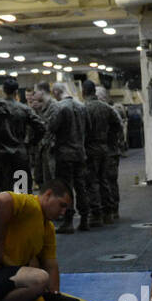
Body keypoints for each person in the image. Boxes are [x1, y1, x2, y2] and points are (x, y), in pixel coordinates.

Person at [46, 81, 89, 233]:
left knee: (66, 188)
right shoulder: (82, 106)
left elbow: (51, 128)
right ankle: (85, 219)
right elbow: (88, 128)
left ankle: (68, 221)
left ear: (56, 92)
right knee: (81, 186)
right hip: (80, 153)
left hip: (64, 154)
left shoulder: (59, 107)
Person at [0, 78, 45, 194]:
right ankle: (22, 212)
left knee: (4, 192)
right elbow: (41, 126)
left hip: (2, 156)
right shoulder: (24, 109)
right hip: (20, 156)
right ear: (16, 92)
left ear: (3, 90)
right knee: (21, 191)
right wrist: (31, 142)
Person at [81, 80, 114, 226]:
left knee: (91, 182)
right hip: (104, 148)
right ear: (94, 91)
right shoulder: (106, 108)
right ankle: (108, 213)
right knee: (103, 180)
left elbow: (81, 131)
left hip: (90, 149)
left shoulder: (84, 109)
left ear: (83, 92)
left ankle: (96, 215)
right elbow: (117, 126)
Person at [97, 85, 126, 223]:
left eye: (99, 97)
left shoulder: (111, 111)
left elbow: (119, 129)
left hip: (110, 152)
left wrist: (113, 141)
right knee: (102, 182)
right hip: (105, 151)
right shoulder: (102, 111)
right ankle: (105, 209)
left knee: (110, 181)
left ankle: (114, 209)